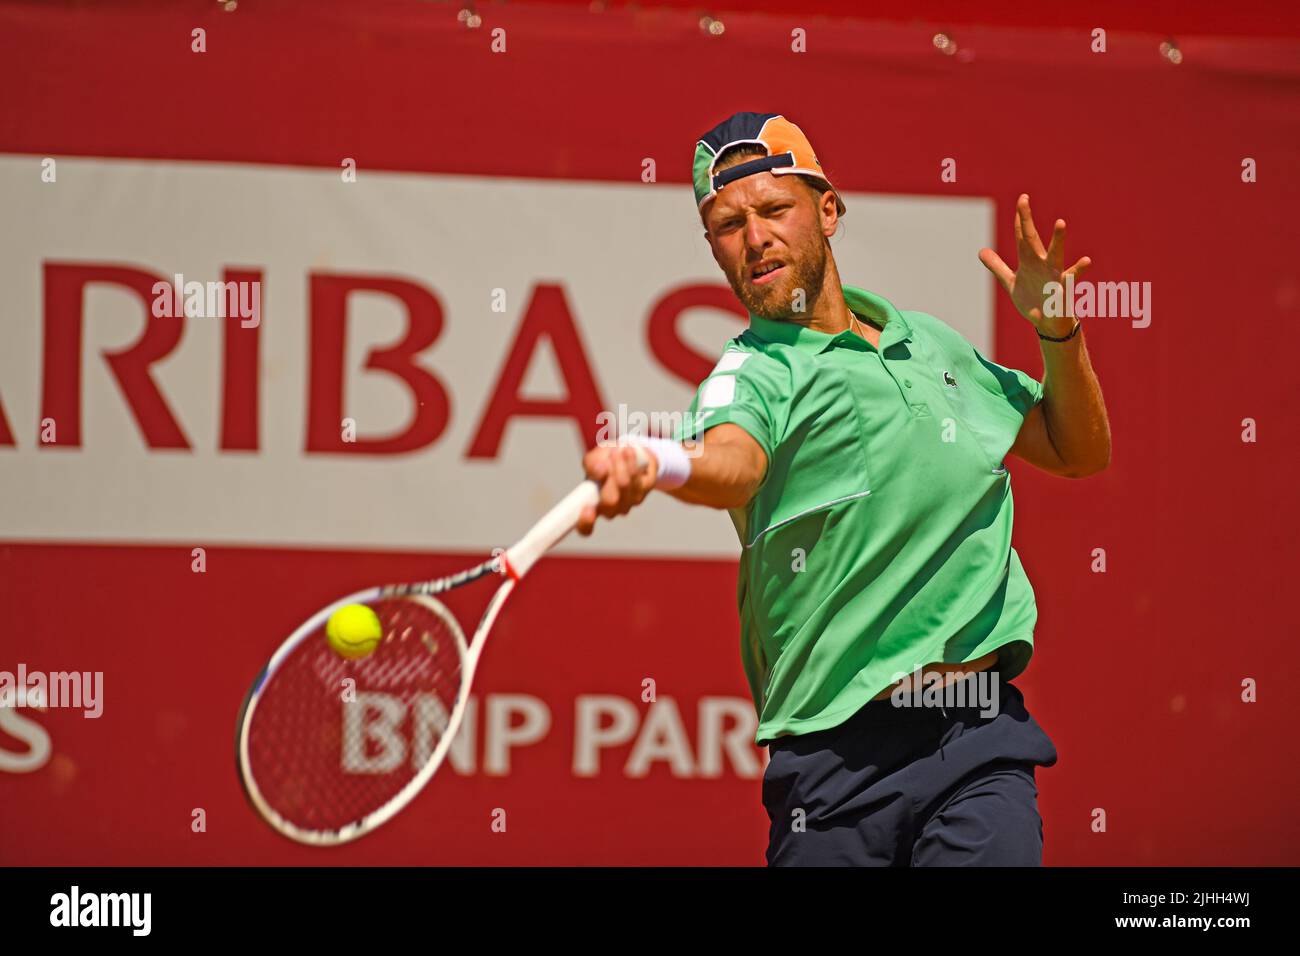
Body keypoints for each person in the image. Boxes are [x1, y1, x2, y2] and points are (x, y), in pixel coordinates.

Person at [576, 112, 1110, 866]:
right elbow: (734, 460)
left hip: (976, 736)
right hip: (833, 766)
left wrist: (1058, 330)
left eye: (773, 209)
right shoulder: (753, 372)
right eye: (728, 224)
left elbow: (1076, 450)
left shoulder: (928, 343)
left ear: (828, 211)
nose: (753, 237)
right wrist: (661, 462)